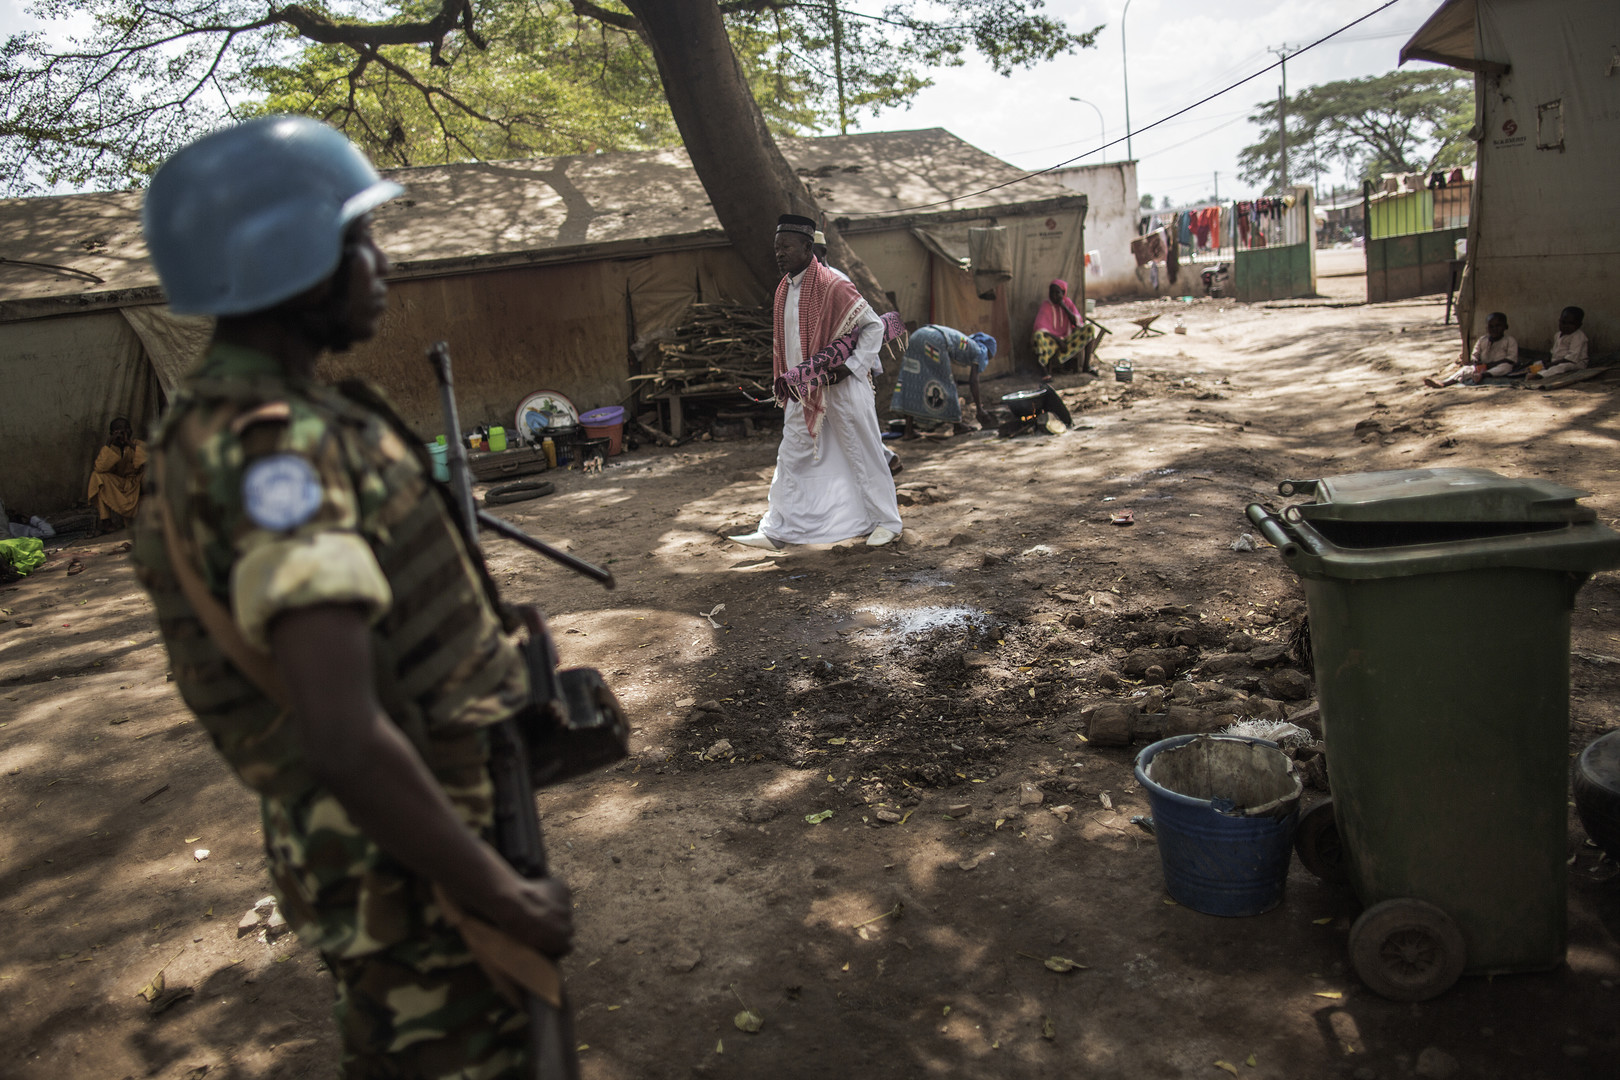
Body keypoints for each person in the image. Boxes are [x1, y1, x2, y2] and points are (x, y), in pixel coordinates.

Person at [131, 116, 572, 1077]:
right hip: (409, 876)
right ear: (286, 257)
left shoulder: (262, 420)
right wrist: (499, 892)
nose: (382, 266)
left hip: (419, 838)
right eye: (359, 241)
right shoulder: (269, 449)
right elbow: (340, 729)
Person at [728, 214, 904, 550]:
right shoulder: (784, 289)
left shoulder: (834, 285)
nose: (779, 254)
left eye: (787, 247)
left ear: (808, 248)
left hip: (844, 386)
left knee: (862, 451)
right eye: (776, 248)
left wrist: (851, 366)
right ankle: (778, 530)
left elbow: (874, 327)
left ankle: (887, 522)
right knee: (791, 454)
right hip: (802, 389)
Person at [890, 325, 996, 437]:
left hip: (917, 335)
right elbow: (973, 381)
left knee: (913, 381)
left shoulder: (965, 341)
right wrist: (979, 409)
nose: (986, 360)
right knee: (947, 384)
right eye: (988, 358)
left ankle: (908, 430)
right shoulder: (980, 350)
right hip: (935, 341)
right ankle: (957, 426)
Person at [86, 417, 147, 534]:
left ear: (131, 431)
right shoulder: (110, 449)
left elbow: (150, 459)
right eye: (118, 430)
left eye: (126, 429)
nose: (123, 432)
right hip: (120, 484)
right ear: (111, 433)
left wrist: (129, 443)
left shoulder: (137, 444)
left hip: (136, 483)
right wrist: (108, 444)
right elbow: (100, 468)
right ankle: (106, 522)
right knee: (97, 476)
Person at [1427, 312, 1518, 386]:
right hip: (1482, 367)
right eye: (1491, 326)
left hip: (1497, 367)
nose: (1494, 329)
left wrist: (1490, 365)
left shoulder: (1509, 340)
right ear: (1487, 328)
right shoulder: (1482, 340)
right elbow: (1475, 354)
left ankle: (1482, 376)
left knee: (1506, 367)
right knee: (1466, 369)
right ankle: (1445, 382)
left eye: (1498, 326)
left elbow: (1511, 359)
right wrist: (1476, 362)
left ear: (1505, 327)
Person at [1031, 279, 1093, 376]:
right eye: (1052, 293)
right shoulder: (1046, 305)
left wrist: (1063, 305)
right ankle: (1044, 372)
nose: (1054, 296)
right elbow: (1040, 328)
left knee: (1089, 329)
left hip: (1067, 340)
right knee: (1038, 336)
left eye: (1057, 293)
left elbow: (1076, 322)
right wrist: (1058, 341)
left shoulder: (1067, 303)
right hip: (1052, 342)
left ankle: (1086, 366)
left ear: (1063, 293)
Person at [1527, 306, 1589, 381]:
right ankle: (1535, 373)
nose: (1566, 326)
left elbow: (1572, 358)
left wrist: (1552, 364)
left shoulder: (1578, 336)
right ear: (1559, 321)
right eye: (1563, 322)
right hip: (1556, 361)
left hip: (1575, 363)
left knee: (1561, 367)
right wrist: (1547, 361)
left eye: (1571, 323)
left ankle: (1540, 376)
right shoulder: (1557, 335)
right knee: (1537, 363)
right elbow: (1553, 351)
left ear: (1579, 325)